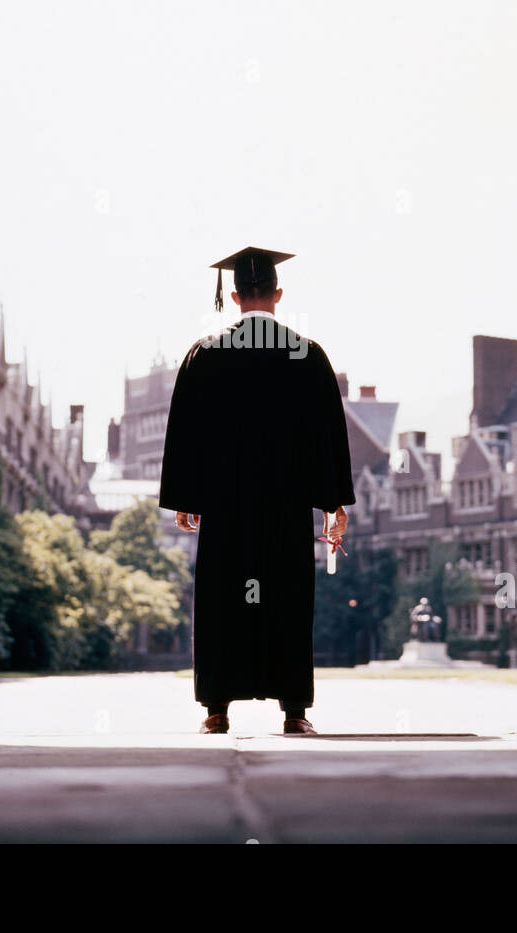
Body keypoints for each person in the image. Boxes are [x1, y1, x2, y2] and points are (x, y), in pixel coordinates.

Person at [159, 246, 354, 735]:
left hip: (226, 508)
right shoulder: (307, 355)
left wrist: (187, 495)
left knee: (224, 598)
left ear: (233, 295)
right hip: (285, 507)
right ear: (278, 294)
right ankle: (294, 712)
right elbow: (328, 434)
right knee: (286, 597)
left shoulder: (204, 354)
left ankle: (216, 709)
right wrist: (333, 504)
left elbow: (186, 430)